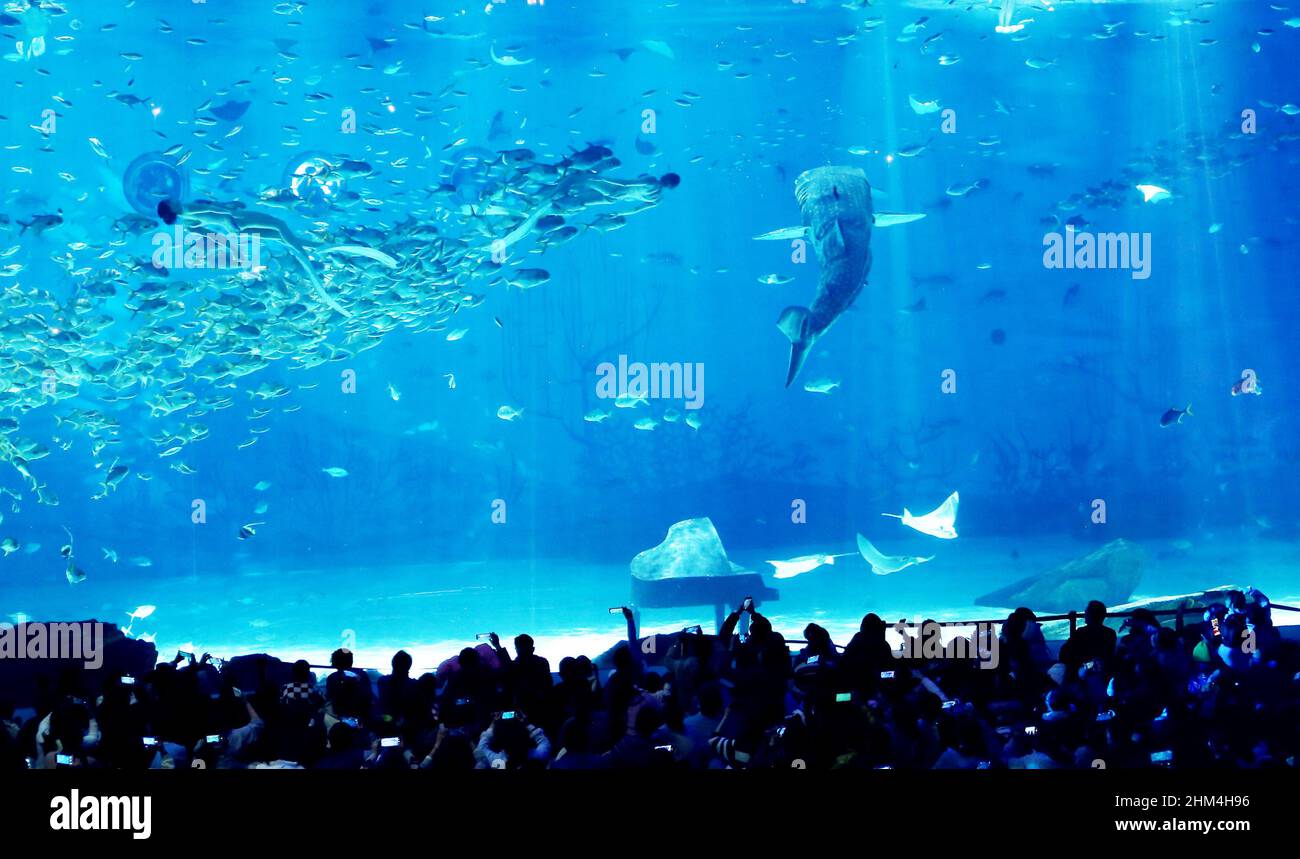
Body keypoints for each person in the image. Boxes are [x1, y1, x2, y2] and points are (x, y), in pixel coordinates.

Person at [1059, 601, 1118, 670]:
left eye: (1086, 612)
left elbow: (1064, 653)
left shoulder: (1081, 632)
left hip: (1082, 671)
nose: (1084, 614)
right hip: (1103, 671)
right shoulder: (1110, 633)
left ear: (1090, 615)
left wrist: (1072, 622)